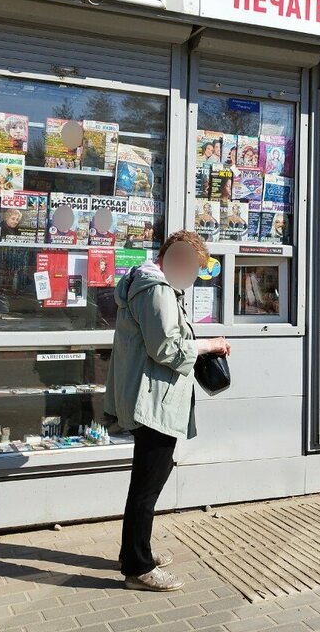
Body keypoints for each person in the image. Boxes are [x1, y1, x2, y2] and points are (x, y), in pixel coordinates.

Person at [104, 230, 230, 592]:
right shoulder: (156, 290)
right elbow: (167, 349)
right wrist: (210, 345)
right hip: (151, 399)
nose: (191, 276)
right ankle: (138, 567)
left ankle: (135, 550)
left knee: (147, 482)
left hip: (150, 396)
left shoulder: (154, 287)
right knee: (147, 486)